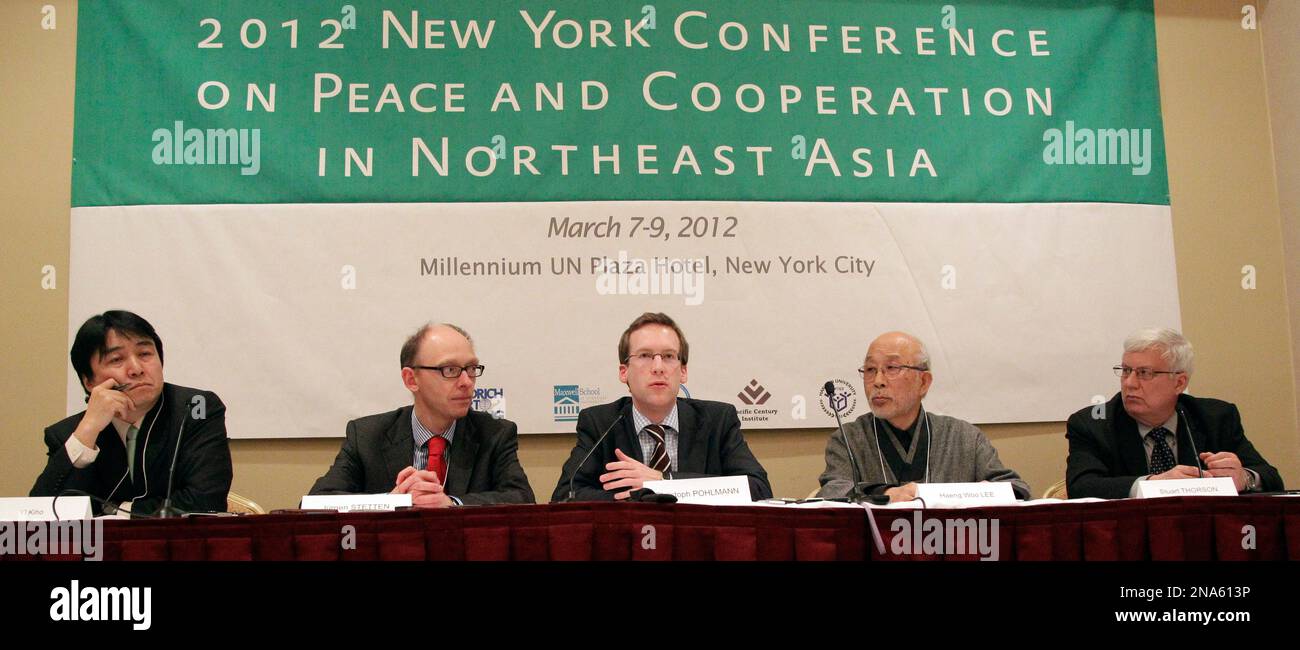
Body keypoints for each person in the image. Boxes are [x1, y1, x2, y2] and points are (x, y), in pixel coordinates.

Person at [551, 312, 771, 502]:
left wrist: (664, 481)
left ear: (683, 371)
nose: (658, 367)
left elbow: (758, 489)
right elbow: (565, 495)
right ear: (623, 371)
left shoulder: (718, 420)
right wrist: (644, 497)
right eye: (645, 356)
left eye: (668, 356)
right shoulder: (600, 423)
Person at [31, 310, 232, 516]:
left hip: (180, 544)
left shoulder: (197, 407)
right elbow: (42, 514)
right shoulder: (67, 433)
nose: (136, 369)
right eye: (116, 359)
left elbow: (206, 500)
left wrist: (118, 512)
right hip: (98, 548)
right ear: (89, 381)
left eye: (145, 354)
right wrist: (87, 432)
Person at [310, 323, 534, 506]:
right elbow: (316, 502)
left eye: (472, 369)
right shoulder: (367, 436)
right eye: (450, 370)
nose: (467, 382)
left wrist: (452, 503)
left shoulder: (494, 434)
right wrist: (391, 502)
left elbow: (522, 499)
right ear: (411, 379)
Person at [1066, 328, 1283, 499]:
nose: (1130, 383)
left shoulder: (1216, 417)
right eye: (1125, 371)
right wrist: (1153, 484)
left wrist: (1243, 478)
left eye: (1144, 373)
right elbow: (1081, 487)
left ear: (1179, 382)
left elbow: (1271, 477)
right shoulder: (1092, 424)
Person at [817, 331, 1029, 502]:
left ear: (924, 382)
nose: (878, 381)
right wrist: (886, 495)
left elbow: (1018, 489)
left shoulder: (964, 438)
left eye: (891, 368)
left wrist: (980, 493)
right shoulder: (848, 439)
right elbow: (832, 492)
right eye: (870, 369)